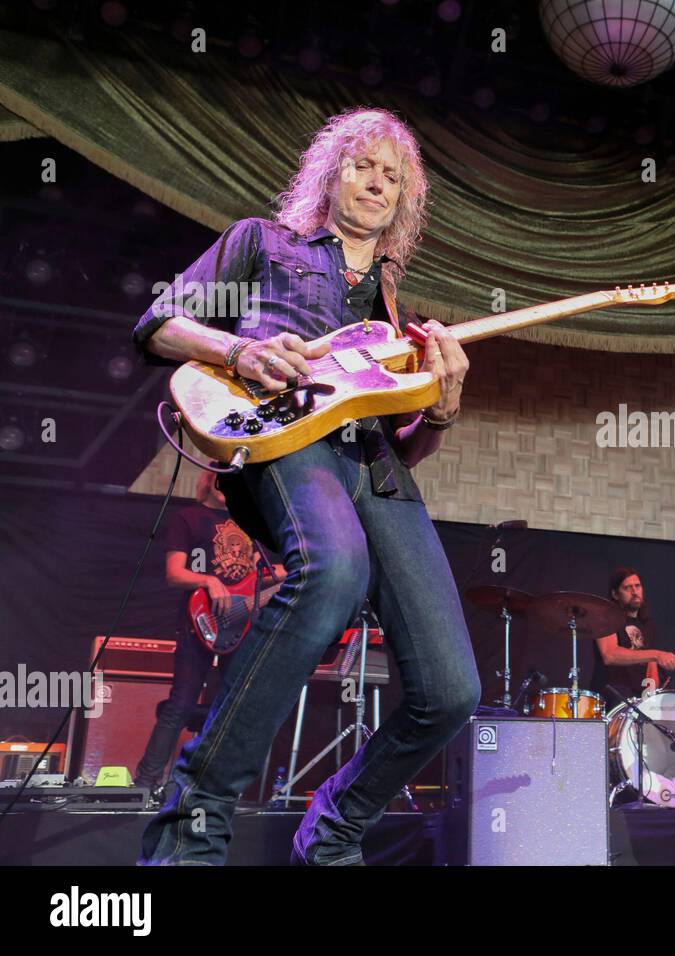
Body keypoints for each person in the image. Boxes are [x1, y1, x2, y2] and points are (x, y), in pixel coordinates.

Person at [132, 108, 480, 865]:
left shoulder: (395, 315)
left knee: (451, 692)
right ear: (330, 174)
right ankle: (193, 818)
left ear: (404, 203)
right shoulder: (264, 242)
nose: (377, 183)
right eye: (363, 165)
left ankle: (331, 834)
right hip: (286, 439)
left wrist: (442, 410)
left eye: (393, 177)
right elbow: (160, 322)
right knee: (333, 570)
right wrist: (240, 349)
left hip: (379, 476)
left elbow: (407, 448)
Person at [133, 466, 282, 800]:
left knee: (229, 707)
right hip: (199, 619)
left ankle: (209, 787)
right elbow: (174, 573)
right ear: (209, 480)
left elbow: (258, 577)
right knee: (181, 703)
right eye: (221, 476)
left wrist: (288, 573)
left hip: (240, 625)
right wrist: (209, 580)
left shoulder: (248, 524)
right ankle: (145, 783)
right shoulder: (189, 518)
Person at [592, 568, 675, 705]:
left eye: (637, 586)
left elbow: (651, 665)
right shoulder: (606, 617)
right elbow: (609, 654)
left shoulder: (648, 625)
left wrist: (651, 699)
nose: (635, 592)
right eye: (627, 588)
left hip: (639, 701)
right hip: (613, 698)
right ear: (615, 594)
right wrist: (657, 655)